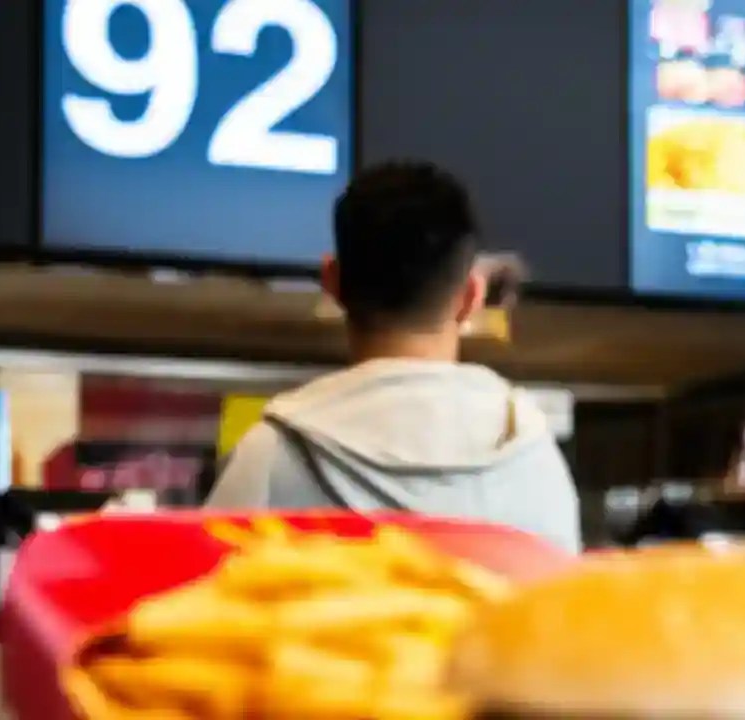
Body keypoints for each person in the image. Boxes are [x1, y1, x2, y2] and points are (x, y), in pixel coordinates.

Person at [207, 161, 582, 553]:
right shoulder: (538, 462)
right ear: (472, 296)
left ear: (333, 282)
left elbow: (198, 602)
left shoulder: (269, 456)